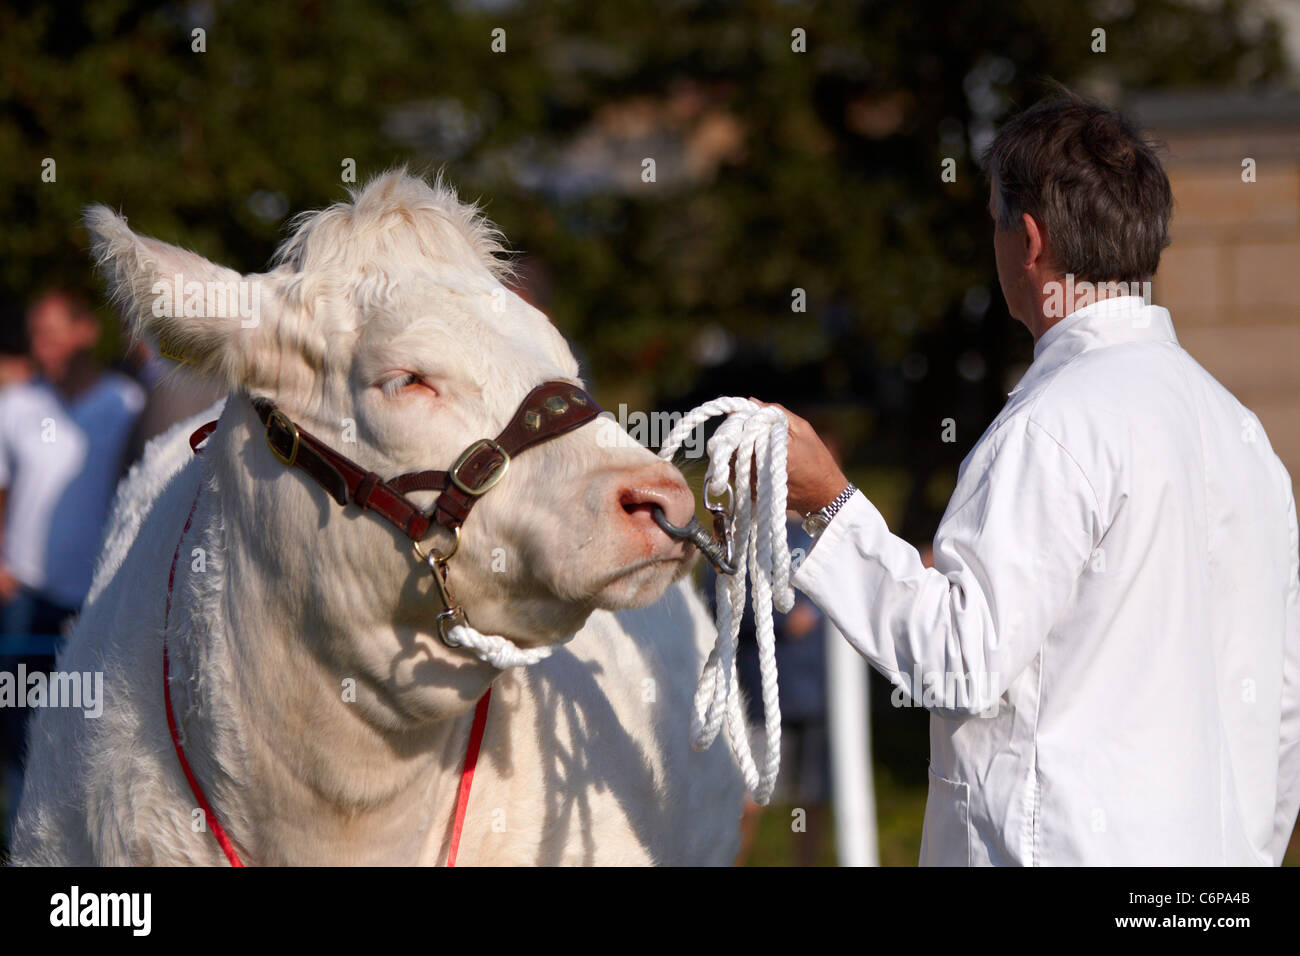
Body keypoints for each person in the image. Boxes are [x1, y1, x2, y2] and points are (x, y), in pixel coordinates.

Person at [758, 89, 1300, 865]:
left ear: (1030, 240)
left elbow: (961, 659)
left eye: (994, 222)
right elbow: (1285, 704)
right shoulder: (1241, 434)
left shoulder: (1056, 422)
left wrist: (828, 506)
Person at [0, 289, 145, 836]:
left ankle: (78, 839)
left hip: (94, 596)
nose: (43, 346)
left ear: (86, 332)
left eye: (54, 331)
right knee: (18, 724)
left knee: (86, 724)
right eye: (36, 334)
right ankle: (21, 835)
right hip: (23, 590)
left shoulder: (124, 405)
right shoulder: (15, 406)